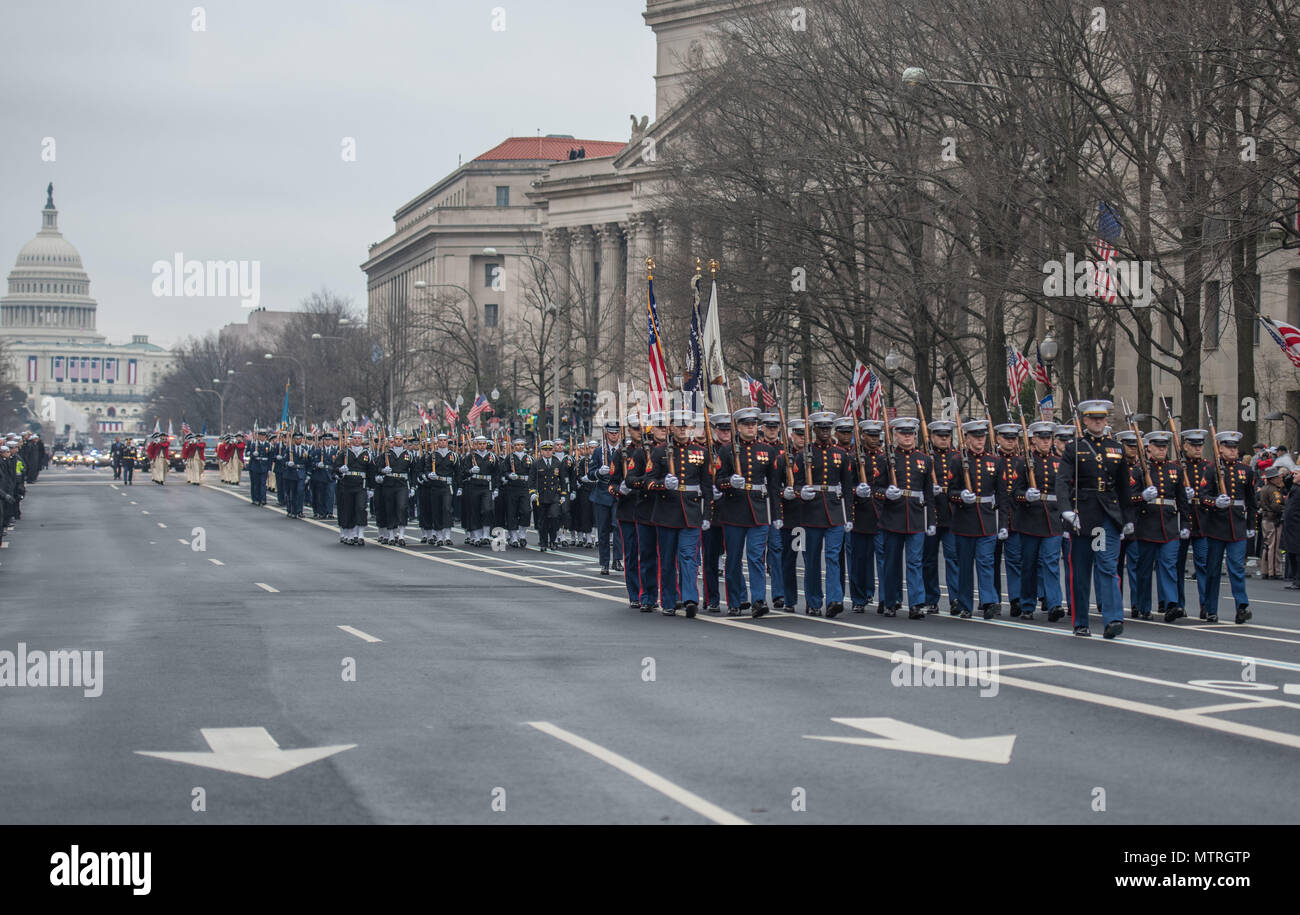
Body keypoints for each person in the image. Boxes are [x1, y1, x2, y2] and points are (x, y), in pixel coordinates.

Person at [1056, 400, 1131, 639]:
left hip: (1107, 516)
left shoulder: (1116, 449)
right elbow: (1062, 481)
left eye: (1102, 418)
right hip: (1082, 515)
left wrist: (1127, 519)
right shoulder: (1074, 448)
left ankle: (1113, 619)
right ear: (1084, 421)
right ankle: (1081, 622)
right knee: (1081, 571)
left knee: (1108, 567)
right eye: (1093, 419)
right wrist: (1066, 510)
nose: (1098, 422)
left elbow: (1122, 488)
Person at [639, 409, 712, 616]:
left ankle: (690, 599)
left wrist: (707, 515)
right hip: (666, 513)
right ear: (671, 427)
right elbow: (647, 481)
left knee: (689, 558)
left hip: (690, 513)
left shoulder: (700, 452)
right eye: (678, 426)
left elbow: (706, 487)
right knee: (668, 560)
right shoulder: (659, 452)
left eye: (685, 425)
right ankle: (669, 601)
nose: (681, 429)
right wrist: (662, 484)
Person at [716, 406, 780, 616]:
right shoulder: (726, 451)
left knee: (756, 557)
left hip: (759, 510)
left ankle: (759, 600)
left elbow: (773, 485)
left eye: (753, 424)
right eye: (746, 424)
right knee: (733, 559)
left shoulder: (768, 451)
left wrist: (776, 514)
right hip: (734, 510)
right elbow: (717, 481)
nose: (751, 428)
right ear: (739, 427)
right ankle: (735, 601)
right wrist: (729, 483)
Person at [1128, 431, 1191, 622]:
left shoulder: (1175, 470)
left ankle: (1171, 604)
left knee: (1169, 566)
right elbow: (1129, 499)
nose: (1162, 450)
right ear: (1149, 448)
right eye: (1158, 447)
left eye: (1164, 447)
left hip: (1169, 526)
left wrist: (1186, 524)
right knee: (1144, 570)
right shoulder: (1139, 471)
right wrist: (1142, 497)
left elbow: (1182, 501)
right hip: (1146, 526)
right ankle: (1143, 606)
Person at [875, 415, 934, 619]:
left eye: (910, 433)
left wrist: (931, 521)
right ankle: (890, 602)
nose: (907, 437)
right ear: (895, 435)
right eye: (903, 433)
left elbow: (928, 494)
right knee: (891, 562)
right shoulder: (886, 459)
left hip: (916, 517)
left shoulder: (924, 460)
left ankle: (917, 603)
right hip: (893, 517)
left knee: (915, 562)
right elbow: (876, 489)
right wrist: (885, 494)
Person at [947, 419, 1006, 619]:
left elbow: (1002, 495)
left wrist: (1003, 522)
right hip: (965, 520)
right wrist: (960, 496)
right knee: (965, 565)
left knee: (986, 562)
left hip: (987, 518)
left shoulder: (995, 461)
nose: (980, 441)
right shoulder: (957, 461)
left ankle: (989, 601)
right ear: (967, 438)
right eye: (975, 437)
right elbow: (950, 491)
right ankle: (964, 604)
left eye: (982, 437)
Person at [1197, 429, 1255, 624]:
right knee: (1213, 570)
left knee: (1237, 568)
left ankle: (1242, 606)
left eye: (1235, 447)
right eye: (1229, 447)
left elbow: (1251, 501)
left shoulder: (1246, 470)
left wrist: (1250, 525)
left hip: (1237, 526)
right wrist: (1215, 502)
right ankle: (1211, 609)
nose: (1233, 451)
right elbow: (1203, 497)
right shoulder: (1212, 470)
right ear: (1220, 448)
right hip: (1217, 527)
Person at [1011, 421, 1064, 622]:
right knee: (1029, 565)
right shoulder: (1023, 463)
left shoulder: (1059, 462)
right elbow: (1014, 492)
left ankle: (1054, 604)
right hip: (1030, 520)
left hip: (1052, 520)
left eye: (1048, 438)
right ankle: (1027, 604)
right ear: (1033, 439)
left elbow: (1067, 489)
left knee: (1051, 562)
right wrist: (1026, 496)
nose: (1045, 442)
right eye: (1041, 438)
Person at [922, 420, 959, 614]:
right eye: (940, 436)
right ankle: (931, 598)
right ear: (932, 437)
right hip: (931, 513)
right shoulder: (925, 457)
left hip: (951, 514)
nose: (944, 439)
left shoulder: (957, 457)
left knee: (953, 558)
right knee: (928, 560)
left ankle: (956, 598)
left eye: (947, 436)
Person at [588, 422, 621, 572]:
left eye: (616, 433)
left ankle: (617, 560)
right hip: (602, 493)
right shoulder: (599, 452)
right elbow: (590, 474)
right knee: (603, 530)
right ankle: (604, 563)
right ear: (606, 433)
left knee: (618, 528)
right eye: (611, 433)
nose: (614, 435)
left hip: (619, 493)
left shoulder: (624, 451)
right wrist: (599, 472)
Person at [333, 430, 371, 545]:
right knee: (348, 509)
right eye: (355, 438)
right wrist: (340, 470)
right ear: (351, 440)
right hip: (347, 484)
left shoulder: (367, 453)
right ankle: (349, 534)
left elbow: (371, 471)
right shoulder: (344, 453)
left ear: (362, 440)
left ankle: (360, 534)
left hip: (361, 485)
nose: (357, 440)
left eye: (359, 438)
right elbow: (335, 468)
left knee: (360, 508)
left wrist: (371, 488)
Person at [1259, 464, 1286, 579]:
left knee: (1267, 545)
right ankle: (1274, 571)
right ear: (1273, 479)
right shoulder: (1274, 491)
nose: (1280, 479)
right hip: (1273, 519)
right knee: (1275, 547)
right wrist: (1285, 509)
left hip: (1265, 519)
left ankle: (1265, 570)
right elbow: (1276, 506)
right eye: (1278, 477)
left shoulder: (1264, 489)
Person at [1282, 464, 1300, 590]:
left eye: (1297, 474)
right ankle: (1295, 578)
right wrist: (1292, 474)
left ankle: (1298, 580)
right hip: (1290, 526)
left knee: (1297, 555)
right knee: (1291, 553)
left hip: (1297, 526)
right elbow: (1286, 481)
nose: (1294, 476)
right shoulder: (1294, 487)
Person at [246, 429, 272, 506]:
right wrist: (253, 454)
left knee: (263, 484)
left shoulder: (268, 445)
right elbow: (249, 454)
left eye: (263, 436)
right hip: (256, 466)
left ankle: (263, 499)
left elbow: (270, 457)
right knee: (256, 483)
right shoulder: (254, 445)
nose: (262, 437)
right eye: (260, 436)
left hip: (264, 466)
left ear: (265, 437)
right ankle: (256, 499)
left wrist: (269, 468)